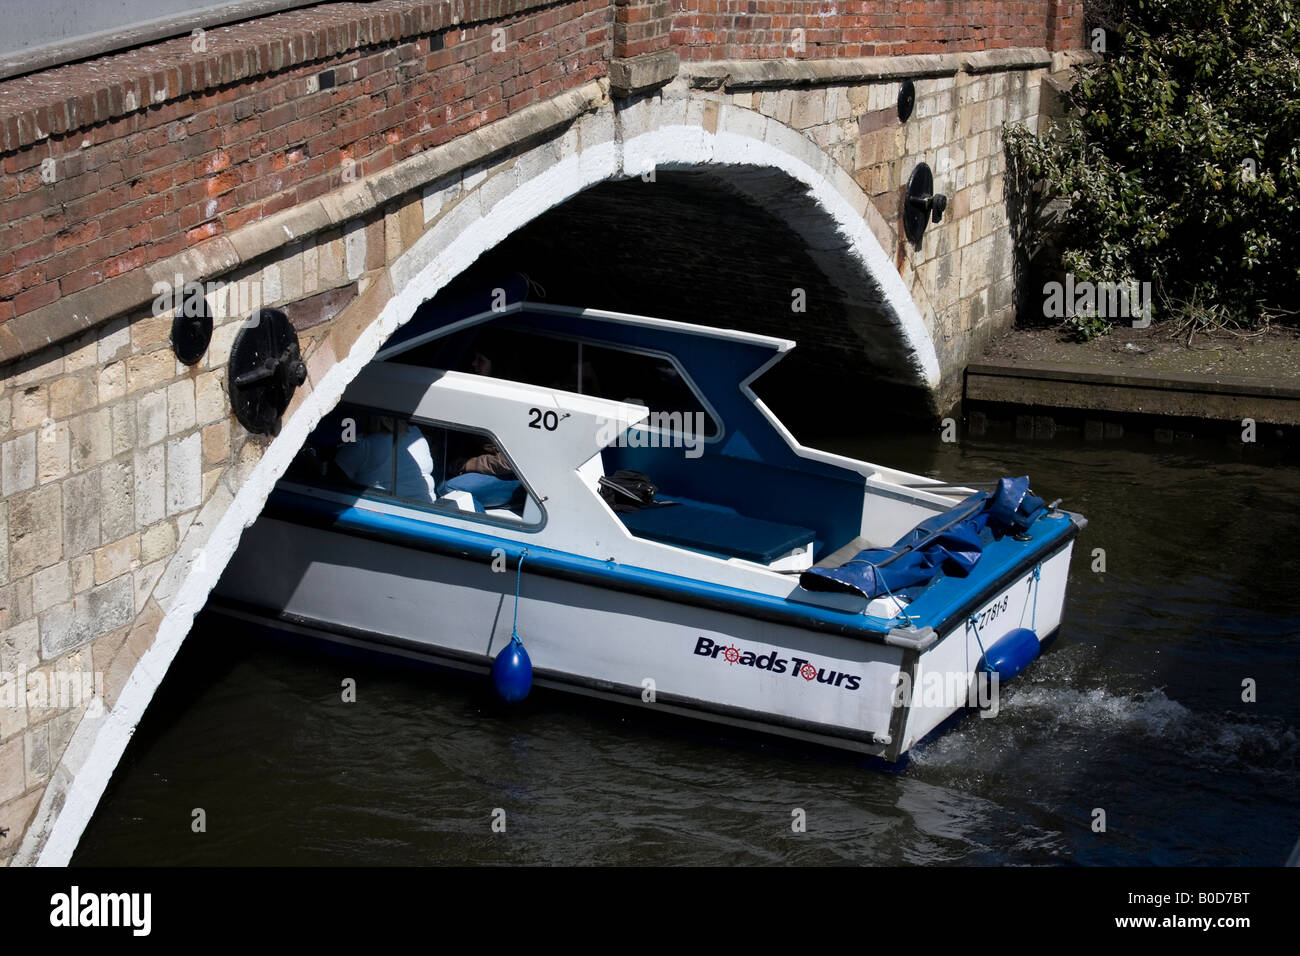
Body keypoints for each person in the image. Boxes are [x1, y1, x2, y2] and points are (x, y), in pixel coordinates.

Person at [334, 414, 438, 503]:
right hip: (426, 507)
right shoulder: (415, 434)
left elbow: (332, 483)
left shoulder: (363, 446)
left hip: (385, 511)